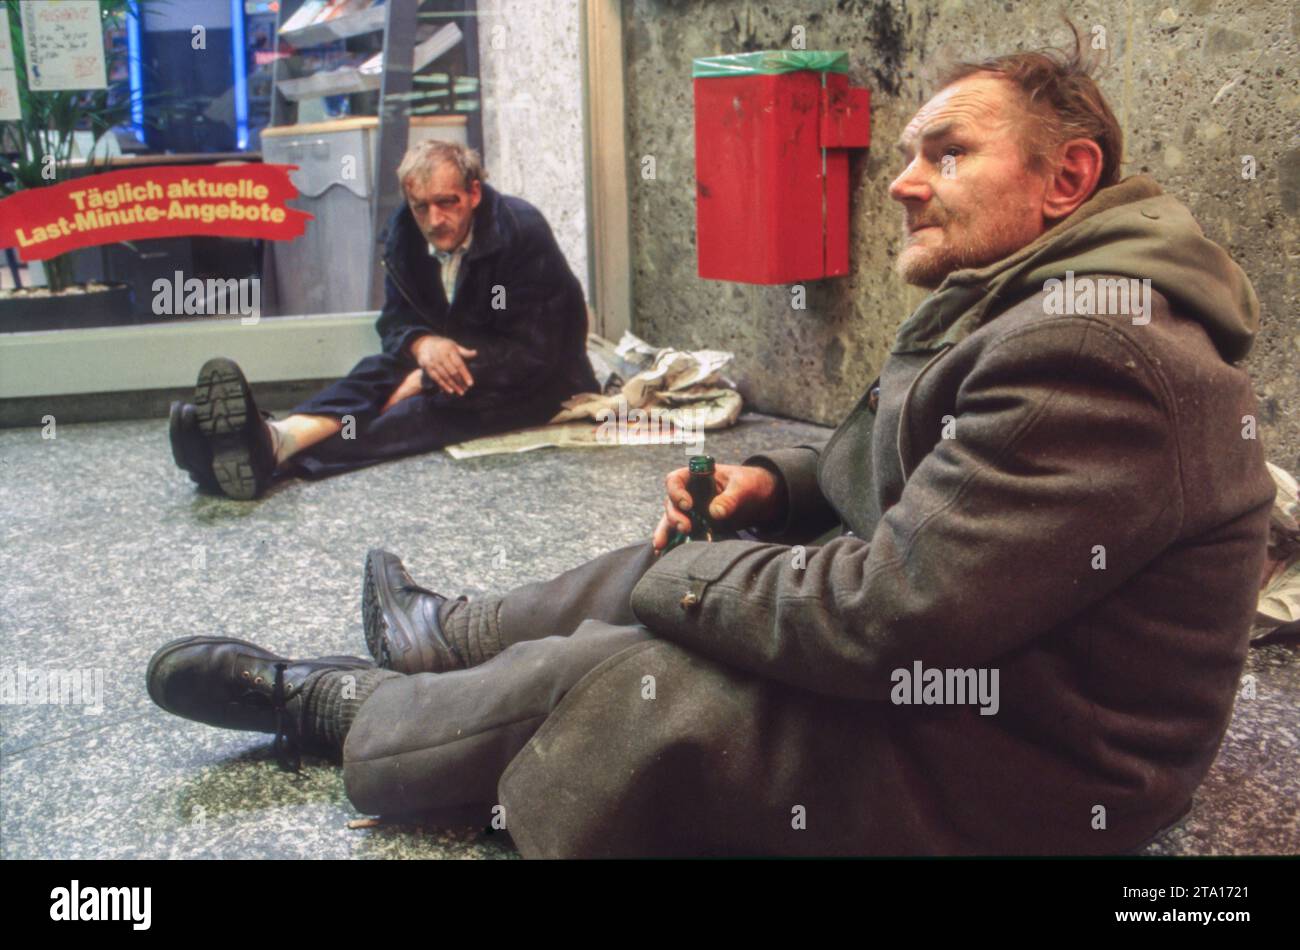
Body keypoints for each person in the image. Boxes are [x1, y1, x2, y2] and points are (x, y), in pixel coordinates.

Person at [147, 29, 1274, 856]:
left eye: (947, 152)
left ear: (1065, 179)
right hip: (977, 669)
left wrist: (695, 580)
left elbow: (890, 616)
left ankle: (337, 708)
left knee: (645, 674)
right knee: (692, 541)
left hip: (1040, 753)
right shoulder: (1021, 299)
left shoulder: (1094, 350)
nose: (901, 180)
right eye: (908, 150)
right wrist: (772, 484)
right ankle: (446, 634)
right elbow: (895, 471)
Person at [168, 140, 598, 499]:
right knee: (371, 376)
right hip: (443, 354)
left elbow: (538, 353)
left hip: (532, 382)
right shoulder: (406, 232)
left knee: (410, 417)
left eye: (447, 204)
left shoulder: (519, 233)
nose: (434, 220)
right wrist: (421, 347)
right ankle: (270, 438)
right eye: (421, 207)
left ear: (474, 193)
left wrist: (425, 378)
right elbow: (395, 322)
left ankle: (264, 455)